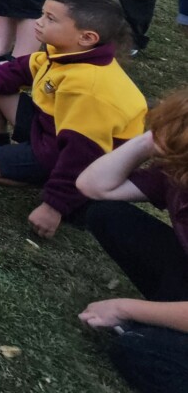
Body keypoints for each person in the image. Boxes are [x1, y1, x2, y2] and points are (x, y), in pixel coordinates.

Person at [0, 0, 147, 238]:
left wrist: (54, 206)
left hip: (75, 155)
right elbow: (19, 69)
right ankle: (0, 150)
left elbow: (82, 154)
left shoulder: (90, 89)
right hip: (51, 131)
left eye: (50, 18)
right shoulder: (65, 52)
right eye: (42, 14)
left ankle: (66, 195)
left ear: (87, 37)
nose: (38, 22)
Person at [76, 89, 188, 393]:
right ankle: (166, 319)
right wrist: (151, 139)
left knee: (140, 353)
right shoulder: (177, 170)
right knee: (107, 214)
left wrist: (126, 308)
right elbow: (94, 186)